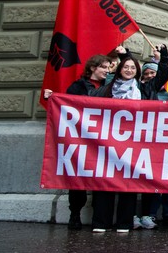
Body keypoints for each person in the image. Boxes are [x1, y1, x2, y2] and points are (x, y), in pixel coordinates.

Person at [91, 45, 168, 232]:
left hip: (134, 143)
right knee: (105, 180)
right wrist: (54, 97)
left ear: (137, 72)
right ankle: (101, 222)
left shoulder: (144, 89)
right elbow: (84, 101)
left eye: (132, 68)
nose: (129, 70)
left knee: (128, 182)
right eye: (125, 67)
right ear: (120, 69)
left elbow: (164, 73)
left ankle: (124, 223)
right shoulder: (107, 89)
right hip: (108, 143)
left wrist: (164, 56)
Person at [43, 54, 115, 229]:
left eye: (108, 68)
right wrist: (52, 97)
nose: (107, 71)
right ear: (92, 68)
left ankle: (100, 217)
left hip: (105, 139)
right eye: (103, 67)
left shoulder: (111, 86)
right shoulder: (78, 86)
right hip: (82, 138)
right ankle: (74, 214)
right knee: (78, 179)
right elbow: (66, 104)